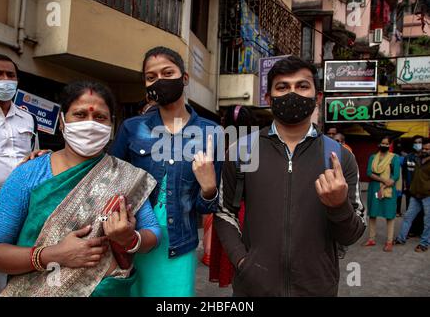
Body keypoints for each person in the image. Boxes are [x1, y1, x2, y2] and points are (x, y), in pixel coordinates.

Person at [0, 81, 161, 296]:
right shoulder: (28, 174)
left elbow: (153, 232)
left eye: (100, 117)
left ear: (111, 125)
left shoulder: (126, 175)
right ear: (62, 122)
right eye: (80, 114)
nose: (90, 124)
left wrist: (129, 239)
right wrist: (53, 255)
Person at [213, 56, 365, 297]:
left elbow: (353, 233)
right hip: (253, 288)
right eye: (282, 87)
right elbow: (224, 213)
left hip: (317, 289)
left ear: (317, 98)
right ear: (268, 98)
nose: (292, 93)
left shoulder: (339, 157)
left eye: (302, 86)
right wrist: (243, 262)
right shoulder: (242, 151)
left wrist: (339, 206)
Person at [110, 46, 221, 297]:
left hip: (179, 245)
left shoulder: (211, 133)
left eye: (167, 72)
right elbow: (108, 181)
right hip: (134, 240)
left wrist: (209, 188)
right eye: (151, 77)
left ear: (184, 78)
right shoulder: (131, 128)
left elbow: (208, 209)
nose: (159, 81)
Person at [0, 54, 38, 296]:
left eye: (11, 75)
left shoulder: (27, 118)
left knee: (1, 280)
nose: (5, 80)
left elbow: (34, 159)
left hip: (14, 207)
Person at [208, 105, 256, 286]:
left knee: (235, 257)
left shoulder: (223, 148)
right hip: (250, 209)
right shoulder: (258, 146)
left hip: (229, 210)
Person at [364, 137, 401, 252]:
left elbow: (396, 175)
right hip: (375, 188)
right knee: (373, 214)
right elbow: (369, 172)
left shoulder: (394, 157)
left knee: (389, 215)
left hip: (388, 189)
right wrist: (383, 180)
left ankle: (389, 242)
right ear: (379, 144)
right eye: (382, 143)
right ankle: (371, 239)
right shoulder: (373, 157)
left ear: (390, 145)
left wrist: (386, 183)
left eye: (386, 143)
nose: (384, 145)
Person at [394, 138, 430, 252]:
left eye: (427, 149)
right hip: (415, 195)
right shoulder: (418, 159)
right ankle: (401, 238)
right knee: (408, 217)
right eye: (424, 148)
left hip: (427, 196)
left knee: (428, 221)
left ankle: (424, 243)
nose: (424, 150)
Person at [403, 135, 425, 236]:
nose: (418, 144)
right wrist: (404, 186)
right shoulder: (408, 157)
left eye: (419, 142)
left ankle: (420, 231)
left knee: (423, 212)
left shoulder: (425, 158)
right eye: (416, 142)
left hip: (423, 189)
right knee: (410, 212)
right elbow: (403, 173)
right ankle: (411, 231)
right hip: (410, 189)